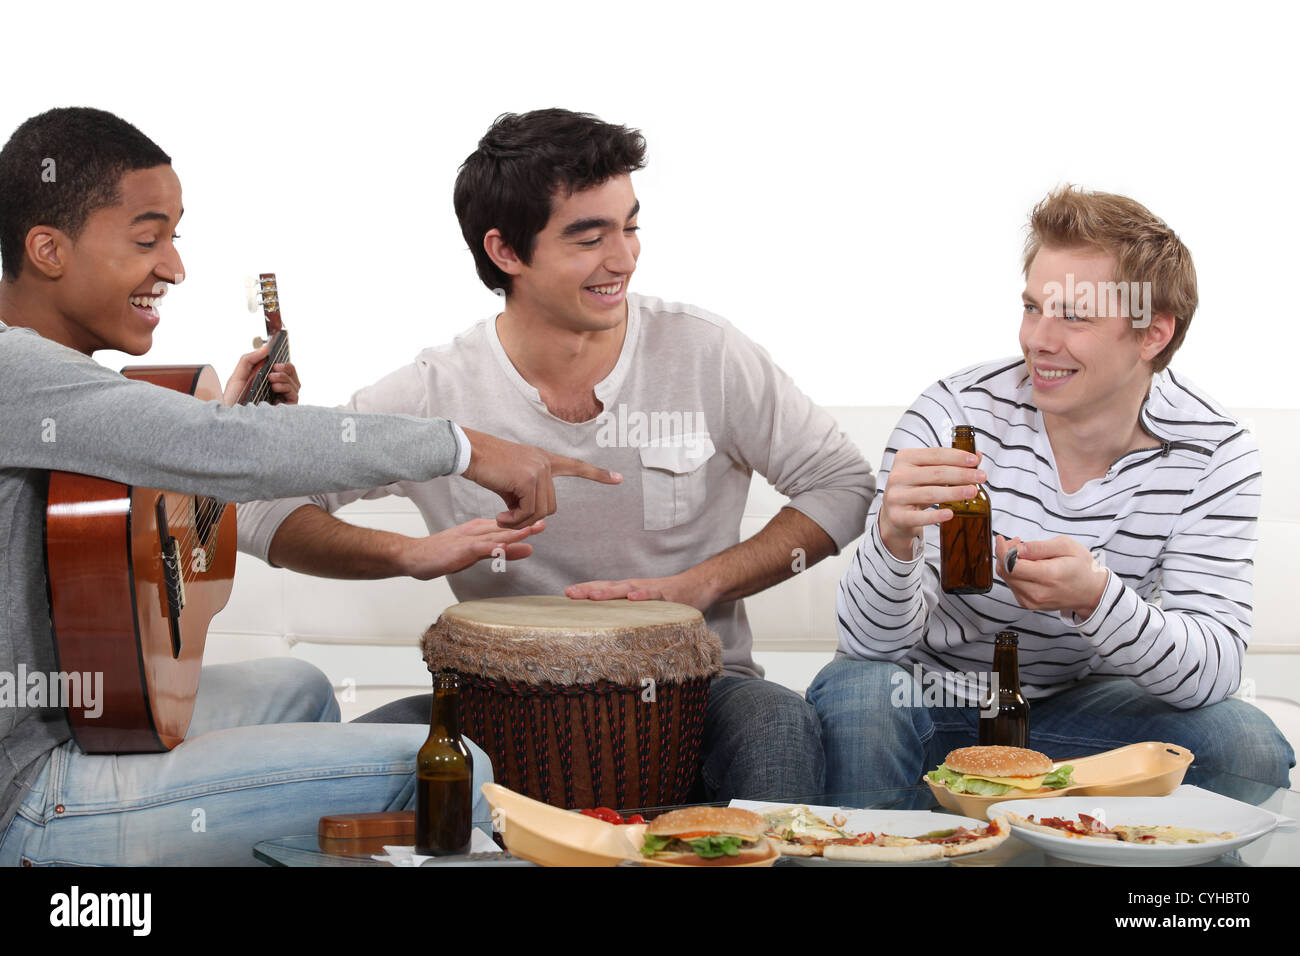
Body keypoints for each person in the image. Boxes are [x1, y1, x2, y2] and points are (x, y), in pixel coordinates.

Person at [0, 107, 619, 865]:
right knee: (450, 773)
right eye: (146, 238)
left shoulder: (52, 388)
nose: (174, 267)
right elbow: (214, 448)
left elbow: (155, 481)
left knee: (297, 687)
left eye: (174, 238)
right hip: (23, 790)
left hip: (70, 712)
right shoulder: (15, 373)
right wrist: (463, 447)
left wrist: (225, 432)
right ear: (47, 250)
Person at [238, 109, 875, 800]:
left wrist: (704, 584)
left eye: (630, 226)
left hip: (697, 694)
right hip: (502, 704)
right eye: (588, 237)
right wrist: (406, 556)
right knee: (321, 774)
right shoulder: (432, 391)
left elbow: (841, 485)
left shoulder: (707, 353)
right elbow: (252, 505)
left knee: (777, 724)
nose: (624, 258)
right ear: (507, 252)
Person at [806, 186, 1295, 796]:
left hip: (1078, 717)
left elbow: (1213, 669)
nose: (1037, 338)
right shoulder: (955, 414)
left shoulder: (1214, 453)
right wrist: (893, 542)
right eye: (1033, 307)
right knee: (859, 694)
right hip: (926, 701)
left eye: (1072, 315)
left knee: (1244, 745)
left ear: (1152, 335)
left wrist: (1096, 599)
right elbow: (869, 644)